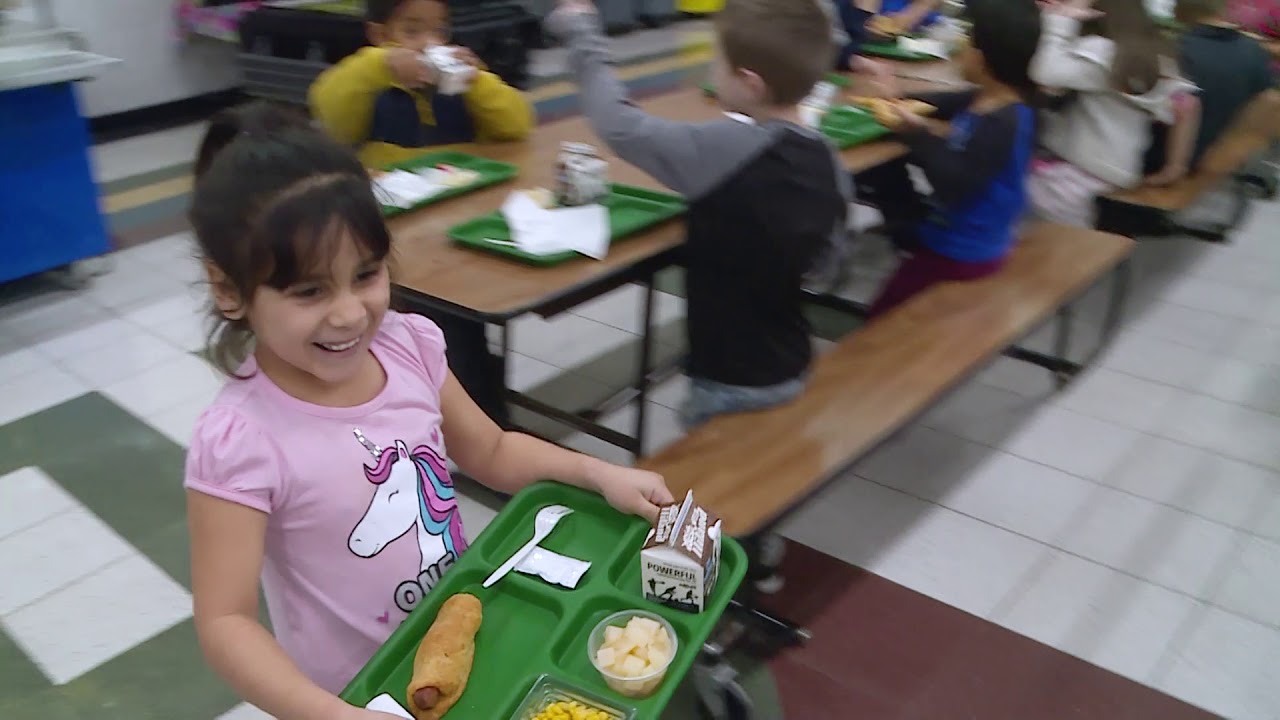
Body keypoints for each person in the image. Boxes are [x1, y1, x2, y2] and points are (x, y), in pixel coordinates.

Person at [184, 114, 673, 719]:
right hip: (355, 693)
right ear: (229, 291)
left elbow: (490, 450)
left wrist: (598, 473)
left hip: (458, 629)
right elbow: (226, 621)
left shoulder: (406, 346)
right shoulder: (241, 439)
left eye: (365, 275)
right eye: (309, 292)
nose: (348, 314)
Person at [545, 0, 851, 430]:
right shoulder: (828, 157)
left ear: (750, 83)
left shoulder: (724, 149)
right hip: (791, 359)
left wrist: (581, 30)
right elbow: (826, 266)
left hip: (727, 378)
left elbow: (618, 124)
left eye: (717, 63)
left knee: (719, 487)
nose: (711, 71)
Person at [860, 0, 1042, 316]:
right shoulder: (994, 99)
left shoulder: (1001, 122)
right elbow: (944, 101)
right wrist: (900, 96)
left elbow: (952, 182)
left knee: (883, 315)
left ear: (982, 59)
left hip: (961, 249)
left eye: (965, 42)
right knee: (888, 179)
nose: (958, 49)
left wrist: (915, 132)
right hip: (968, 232)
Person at [1028, 0, 1194, 227]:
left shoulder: (1103, 53)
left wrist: (1060, 18)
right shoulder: (1154, 55)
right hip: (1116, 170)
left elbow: (1046, 72)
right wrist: (1175, 168)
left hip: (1077, 176)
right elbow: (1186, 106)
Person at [308, 0, 533, 168]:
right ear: (380, 35)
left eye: (439, 31)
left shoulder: (465, 81)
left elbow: (517, 126)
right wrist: (380, 63)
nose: (429, 43)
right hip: (393, 186)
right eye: (411, 32)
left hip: (463, 176)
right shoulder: (367, 74)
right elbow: (333, 120)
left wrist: (477, 80)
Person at [1144, 0, 1274, 180]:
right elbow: (1265, 101)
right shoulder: (1254, 50)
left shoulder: (1178, 51)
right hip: (1218, 150)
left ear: (1180, 9)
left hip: (1165, 160)